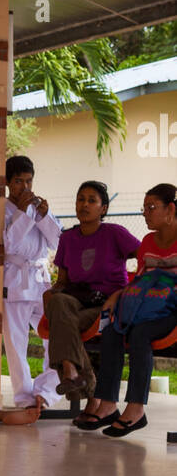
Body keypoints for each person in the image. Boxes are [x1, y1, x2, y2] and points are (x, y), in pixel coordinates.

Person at [76, 183, 177, 436]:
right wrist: (117, 296)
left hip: (172, 312)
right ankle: (108, 404)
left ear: (171, 209)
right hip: (147, 308)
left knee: (140, 334)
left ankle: (135, 409)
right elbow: (140, 280)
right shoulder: (147, 241)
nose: (145, 213)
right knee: (112, 330)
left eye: (151, 207)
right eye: (144, 208)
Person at [43, 181, 138, 400]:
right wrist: (50, 291)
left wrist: (132, 286)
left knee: (63, 325)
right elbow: (63, 282)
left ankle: (81, 383)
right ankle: (72, 372)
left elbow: (145, 256)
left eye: (91, 200)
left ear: (103, 209)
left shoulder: (115, 233)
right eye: (81, 199)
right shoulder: (67, 238)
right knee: (57, 302)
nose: (84, 205)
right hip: (78, 299)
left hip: (109, 305)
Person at [2, 155, 61, 408]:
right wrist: (23, 214)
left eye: (28, 181)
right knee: (16, 344)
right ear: (7, 183)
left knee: (56, 336)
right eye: (18, 182)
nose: (25, 188)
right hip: (15, 280)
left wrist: (44, 217)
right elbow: (9, 244)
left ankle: (47, 392)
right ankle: (25, 398)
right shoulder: (2, 209)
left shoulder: (39, 208)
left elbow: (59, 243)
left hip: (41, 281)